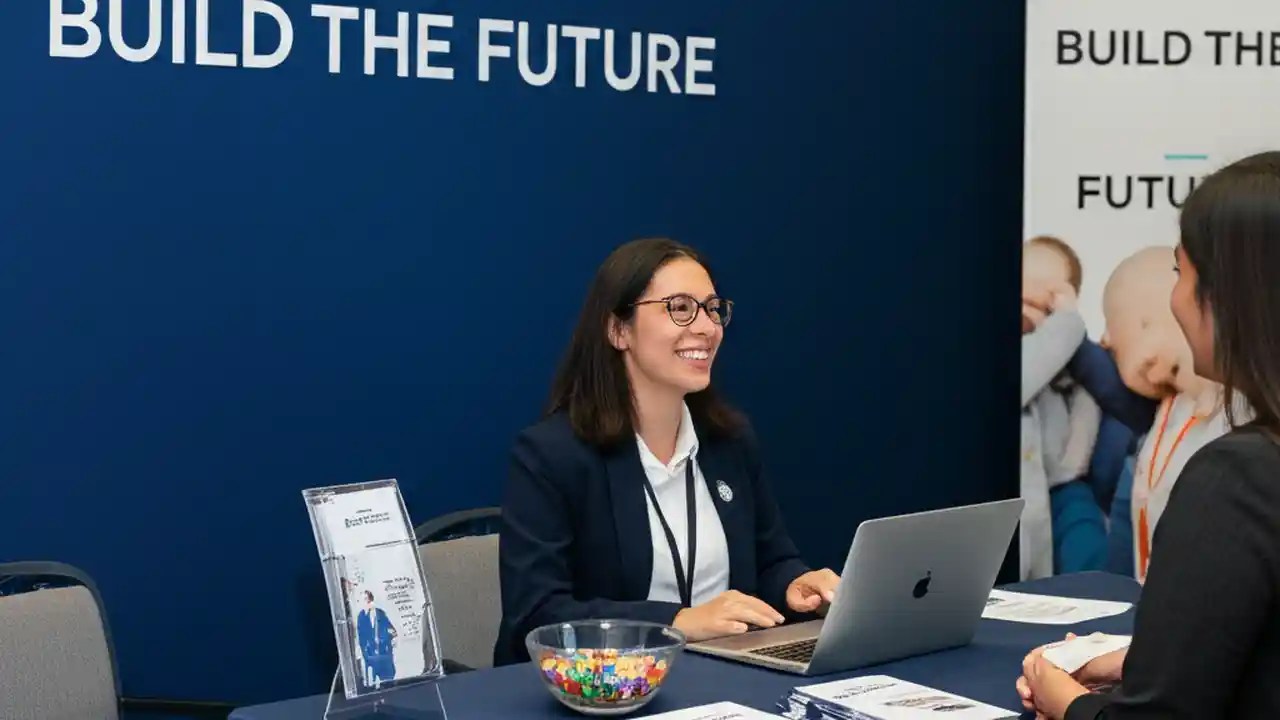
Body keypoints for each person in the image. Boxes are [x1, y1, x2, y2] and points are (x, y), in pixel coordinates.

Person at [1016, 151, 1280, 719]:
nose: (1174, 299)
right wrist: (1146, 655)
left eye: (1182, 274)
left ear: (1231, 296)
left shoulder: (1238, 476)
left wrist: (1064, 699)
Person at [493, 238, 840, 666]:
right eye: (680, 308)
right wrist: (677, 622)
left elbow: (771, 559)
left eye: (713, 309)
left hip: (726, 681)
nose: (707, 327)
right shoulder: (551, 456)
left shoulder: (729, 443)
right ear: (618, 329)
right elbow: (538, 615)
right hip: (601, 694)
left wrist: (795, 584)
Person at [1020, 235, 1102, 579]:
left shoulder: (1061, 369)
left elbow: (1091, 400)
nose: (1025, 308)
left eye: (1045, 304)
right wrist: (1068, 323)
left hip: (1047, 511)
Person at [355, 591, 397, 686]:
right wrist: (364, 653)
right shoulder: (361, 616)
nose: (366, 603)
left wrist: (386, 640)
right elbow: (361, 636)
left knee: (388, 682)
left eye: (366, 599)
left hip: (384, 654)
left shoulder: (381, 613)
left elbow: (393, 631)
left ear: (371, 600)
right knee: (372, 686)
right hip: (370, 656)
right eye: (363, 600)